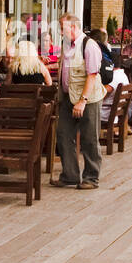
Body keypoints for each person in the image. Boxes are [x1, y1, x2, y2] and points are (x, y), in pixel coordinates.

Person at [51, 13, 103, 191]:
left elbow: (92, 75)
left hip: (87, 99)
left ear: (73, 27)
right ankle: (70, 175)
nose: (60, 31)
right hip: (67, 97)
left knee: (89, 138)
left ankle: (91, 178)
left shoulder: (89, 45)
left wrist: (82, 101)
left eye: (62, 28)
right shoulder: (67, 45)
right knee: (63, 134)